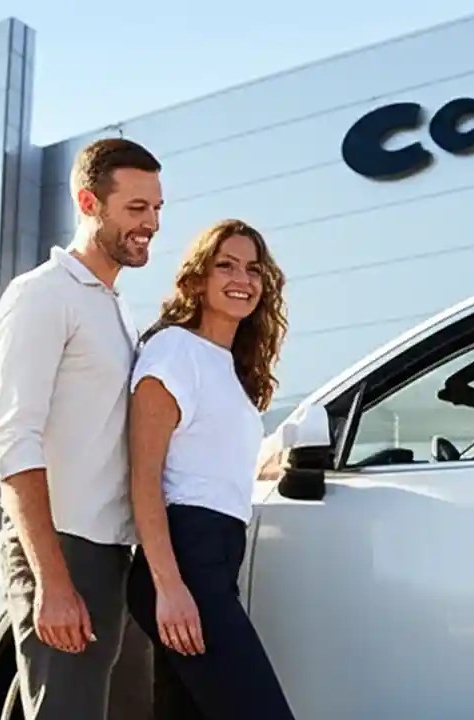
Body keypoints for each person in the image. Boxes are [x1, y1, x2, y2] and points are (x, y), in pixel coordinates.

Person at [0, 137, 164, 719]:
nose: (152, 224)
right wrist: (53, 581)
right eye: (136, 209)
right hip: (64, 548)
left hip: (117, 551)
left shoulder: (114, 306)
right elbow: (13, 445)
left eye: (157, 208)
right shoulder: (41, 296)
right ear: (90, 202)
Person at [125, 219, 297, 719]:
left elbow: (211, 465)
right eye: (225, 265)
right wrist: (170, 587)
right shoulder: (175, 350)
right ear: (197, 279)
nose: (242, 277)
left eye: (253, 268)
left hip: (217, 558)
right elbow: (144, 477)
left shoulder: (229, 368)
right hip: (184, 560)